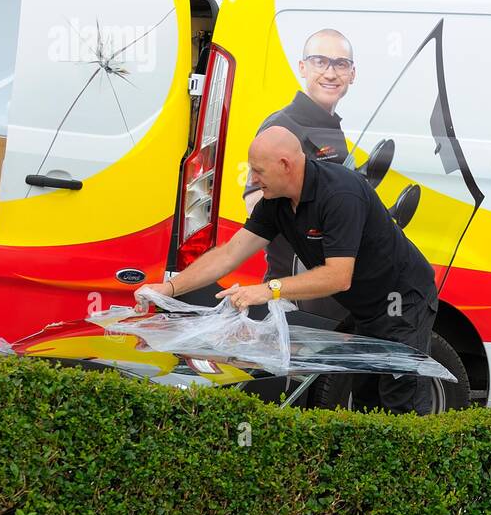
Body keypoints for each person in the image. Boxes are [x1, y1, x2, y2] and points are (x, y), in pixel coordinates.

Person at [136, 126, 438, 415]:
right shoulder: (275, 200)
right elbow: (229, 253)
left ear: (285, 164)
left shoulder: (340, 194)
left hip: (402, 300)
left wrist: (268, 289)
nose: (253, 179)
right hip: (365, 308)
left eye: (259, 170)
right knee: (364, 398)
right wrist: (169, 289)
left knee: (401, 401)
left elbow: (338, 276)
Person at [243, 29, 357, 320]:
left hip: (325, 290)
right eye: (320, 61)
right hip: (292, 296)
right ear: (303, 67)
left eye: (340, 64)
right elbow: (254, 202)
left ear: (352, 74)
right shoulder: (282, 125)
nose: (330, 73)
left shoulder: (330, 125)